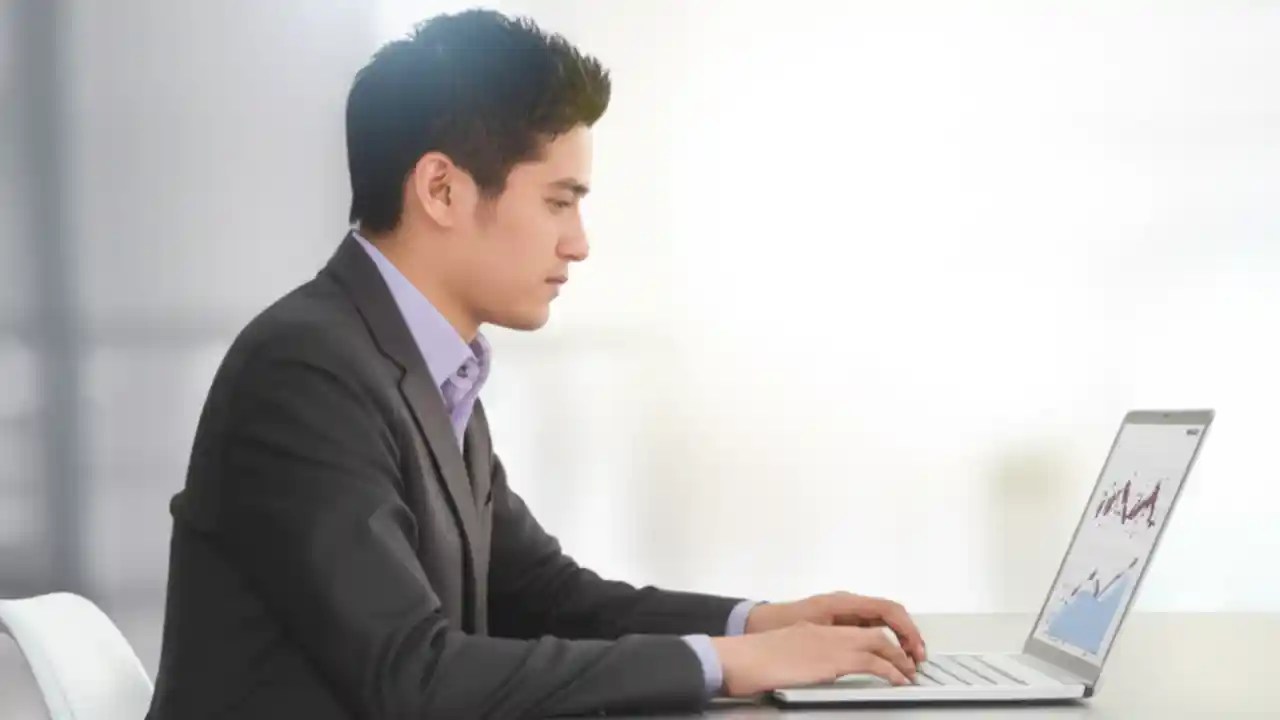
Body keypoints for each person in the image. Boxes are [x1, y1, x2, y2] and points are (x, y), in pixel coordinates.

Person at [146, 9, 927, 719]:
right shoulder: (306, 370)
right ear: (442, 189)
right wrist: (731, 663)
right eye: (560, 201)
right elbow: (413, 676)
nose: (578, 242)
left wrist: (759, 624)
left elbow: (548, 596)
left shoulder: (425, 368)